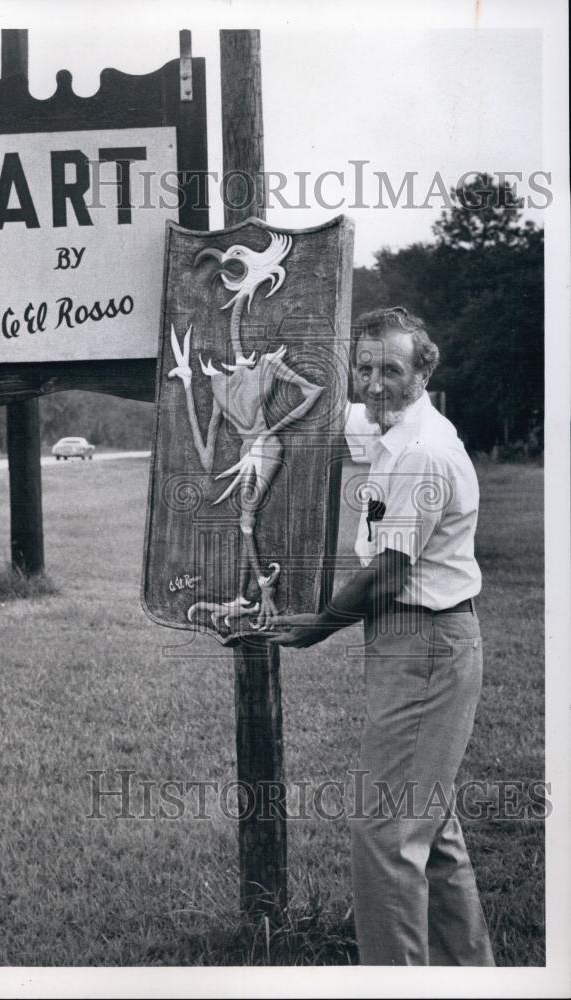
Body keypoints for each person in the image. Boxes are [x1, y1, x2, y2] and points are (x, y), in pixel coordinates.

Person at [270, 306, 494, 967]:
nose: (372, 384)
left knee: (386, 832)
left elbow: (388, 577)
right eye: (362, 369)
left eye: (390, 369)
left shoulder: (422, 454)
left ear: (424, 371)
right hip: (413, 642)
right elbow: (320, 425)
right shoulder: (390, 425)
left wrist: (312, 630)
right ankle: (466, 974)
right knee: (433, 828)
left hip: (424, 642)